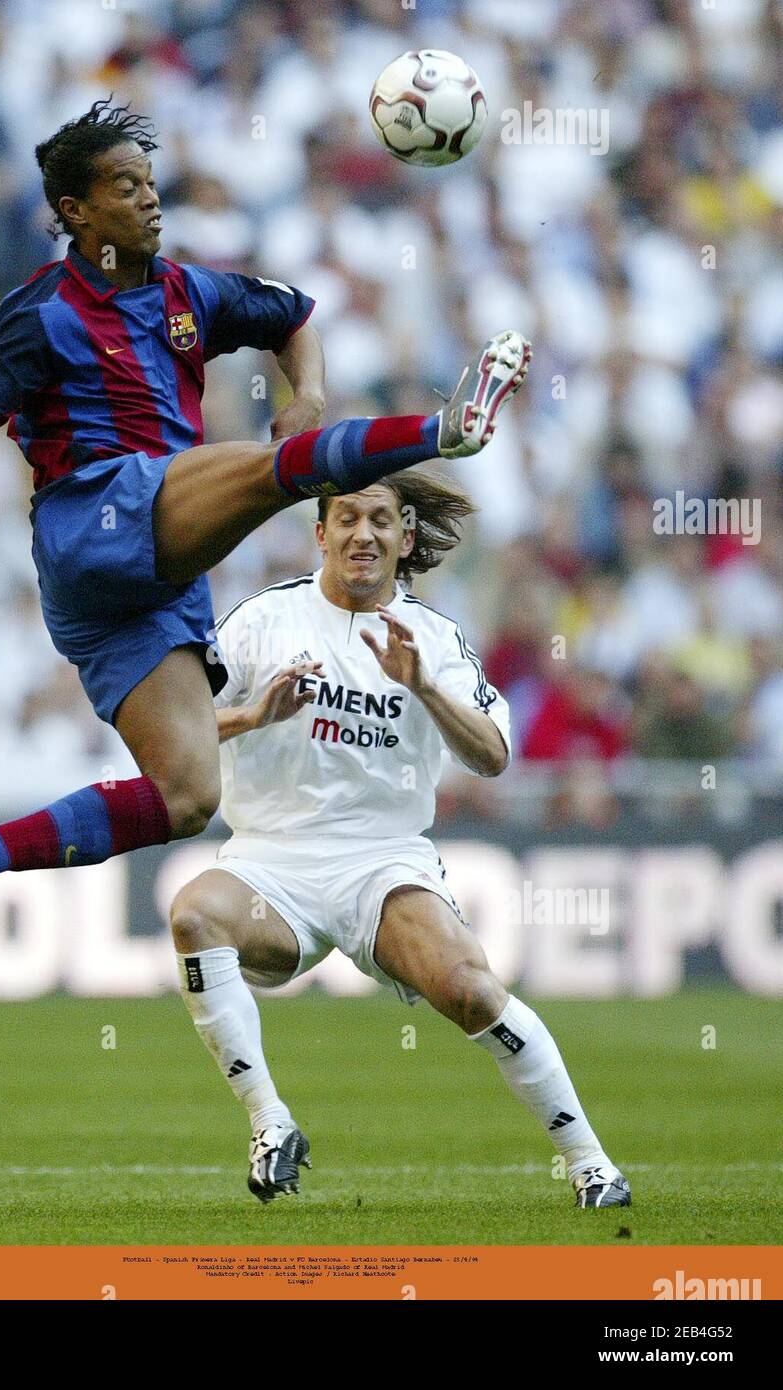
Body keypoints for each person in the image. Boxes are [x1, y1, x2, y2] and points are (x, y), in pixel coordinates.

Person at [0, 97, 530, 927]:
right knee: (262, 474)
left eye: (149, 182)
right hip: (94, 518)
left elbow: (295, 318)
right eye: (125, 186)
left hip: (145, 583)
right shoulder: (41, 313)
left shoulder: (188, 292)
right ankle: (442, 430)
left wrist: (307, 394)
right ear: (75, 211)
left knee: (185, 795)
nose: (149, 198)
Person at [170, 474, 631, 1209]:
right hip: (268, 864)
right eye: (346, 518)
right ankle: (269, 1122)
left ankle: (591, 1165)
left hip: (381, 863)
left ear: (405, 538)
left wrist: (422, 686)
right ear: (319, 534)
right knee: (193, 916)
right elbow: (175, 726)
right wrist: (253, 713)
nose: (363, 533)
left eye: (380, 520)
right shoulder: (260, 621)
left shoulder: (435, 640)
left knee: (471, 991)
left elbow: (492, 756)